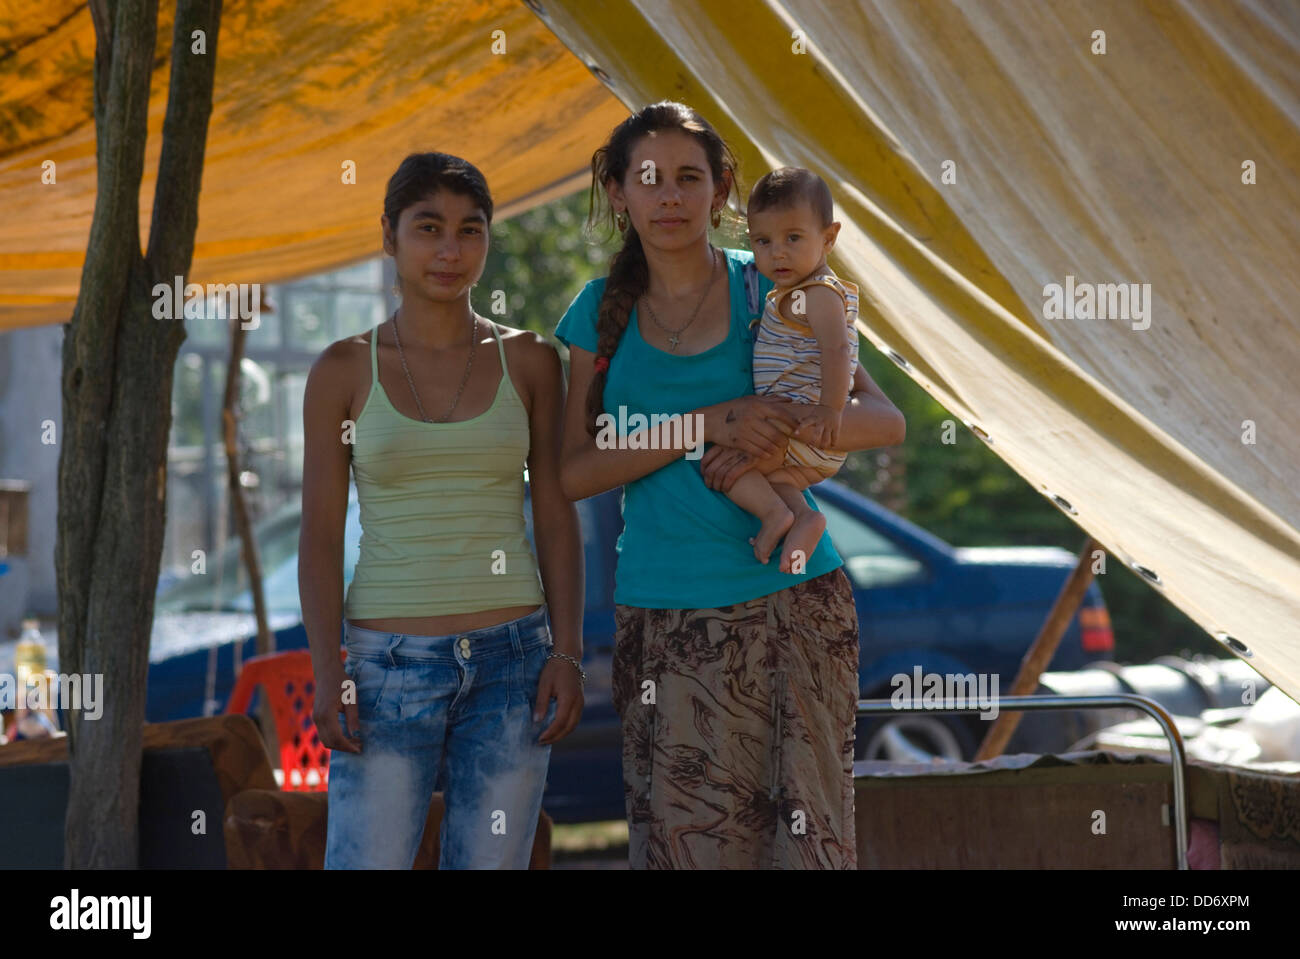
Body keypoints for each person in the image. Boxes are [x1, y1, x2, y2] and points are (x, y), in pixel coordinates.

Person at [555, 101, 906, 869]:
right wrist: (708, 420)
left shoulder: (775, 284)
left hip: (794, 603)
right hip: (666, 617)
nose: (671, 196)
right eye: (650, 179)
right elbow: (576, 471)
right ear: (619, 193)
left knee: (808, 849)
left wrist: (783, 419)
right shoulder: (594, 315)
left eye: (691, 177)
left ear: (721, 193)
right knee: (692, 851)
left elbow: (884, 421)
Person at [300, 152, 584, 869]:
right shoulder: (341, 369)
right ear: (389, 237)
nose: (451, 250)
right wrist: (326, 666)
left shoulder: (529, 362)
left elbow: (555, 514)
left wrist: (569, 651)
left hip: (512, 660)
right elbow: (319, 535)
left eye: (470, 229)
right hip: (385, 669)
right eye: (428, 228)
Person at [728, 166, 861, 571]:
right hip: (804, 446)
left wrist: (830, 410)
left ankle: (775, 518)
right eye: (763, 241)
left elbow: (837, 349)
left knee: (728, 468)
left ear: (829, 238)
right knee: (779, 482)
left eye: (793, 238)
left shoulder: (817, 293)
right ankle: (803, 518)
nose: (777, 252)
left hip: (807, 427)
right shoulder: (792, 293)